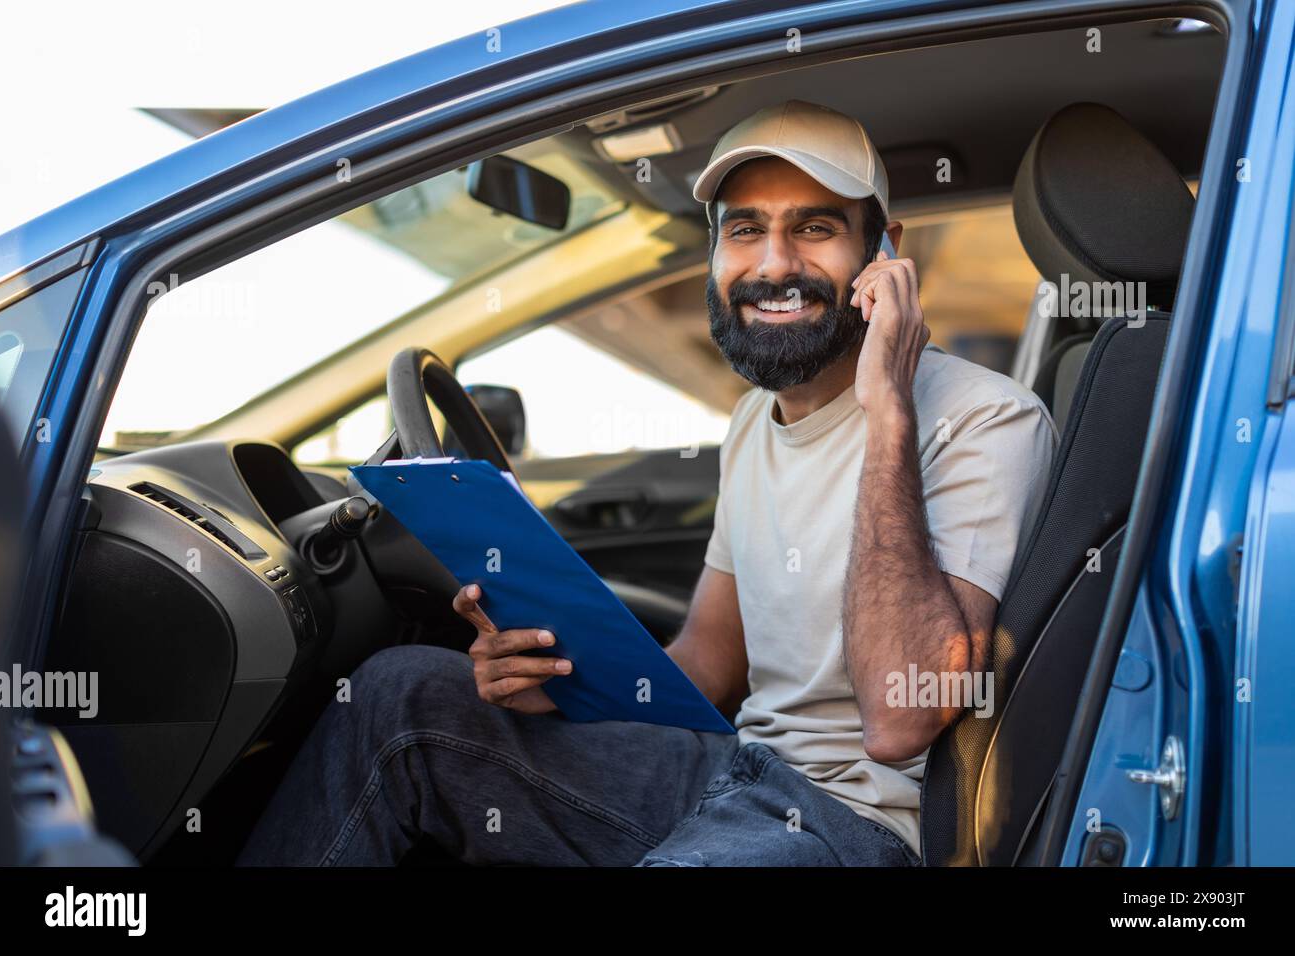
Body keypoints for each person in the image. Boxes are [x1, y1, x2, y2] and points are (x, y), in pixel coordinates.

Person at [238, 99, 1057, 867]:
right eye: (745, 230)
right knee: (395, 694)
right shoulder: (752, 420)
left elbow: (899, 719)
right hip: (733, 769)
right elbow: (707, 663)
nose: (775, 263)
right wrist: (555, 690)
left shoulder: (983, 419)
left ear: (883, 255)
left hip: (859, 827)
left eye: (815, 228)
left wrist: (887, 413)